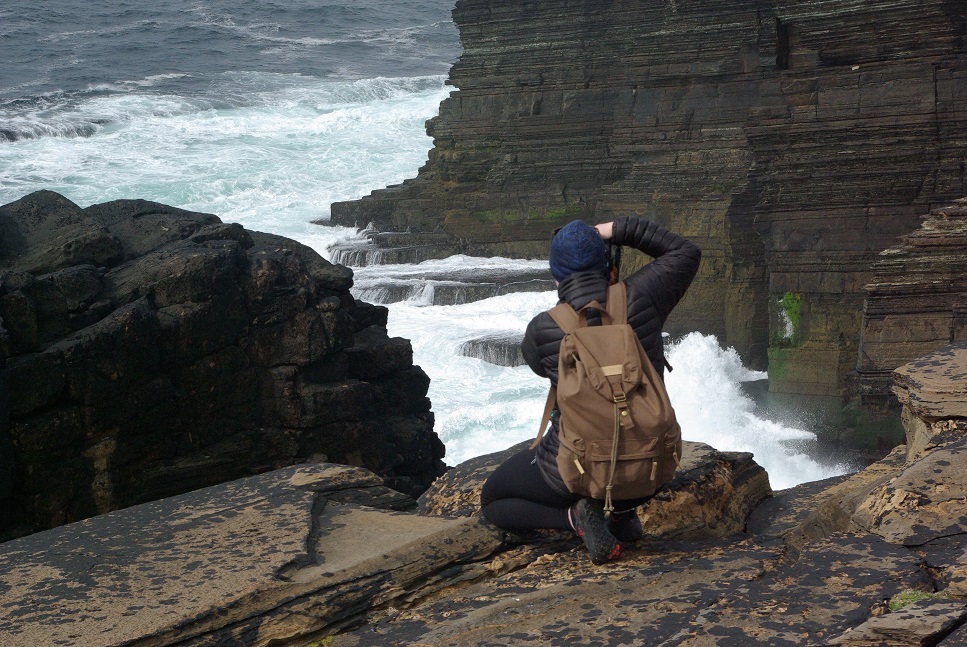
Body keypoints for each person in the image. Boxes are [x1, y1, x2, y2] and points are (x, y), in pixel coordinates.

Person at [480, 216, 701, 564]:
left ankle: (575, 518)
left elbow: (540, 368)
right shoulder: (643, 297)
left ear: (556, 276)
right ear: (610, 265)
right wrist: (614, 230)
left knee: (493, 500)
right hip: (651, 472)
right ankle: (624, 516)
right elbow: (685, 252)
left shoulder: (543, 328)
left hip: (582, 476)